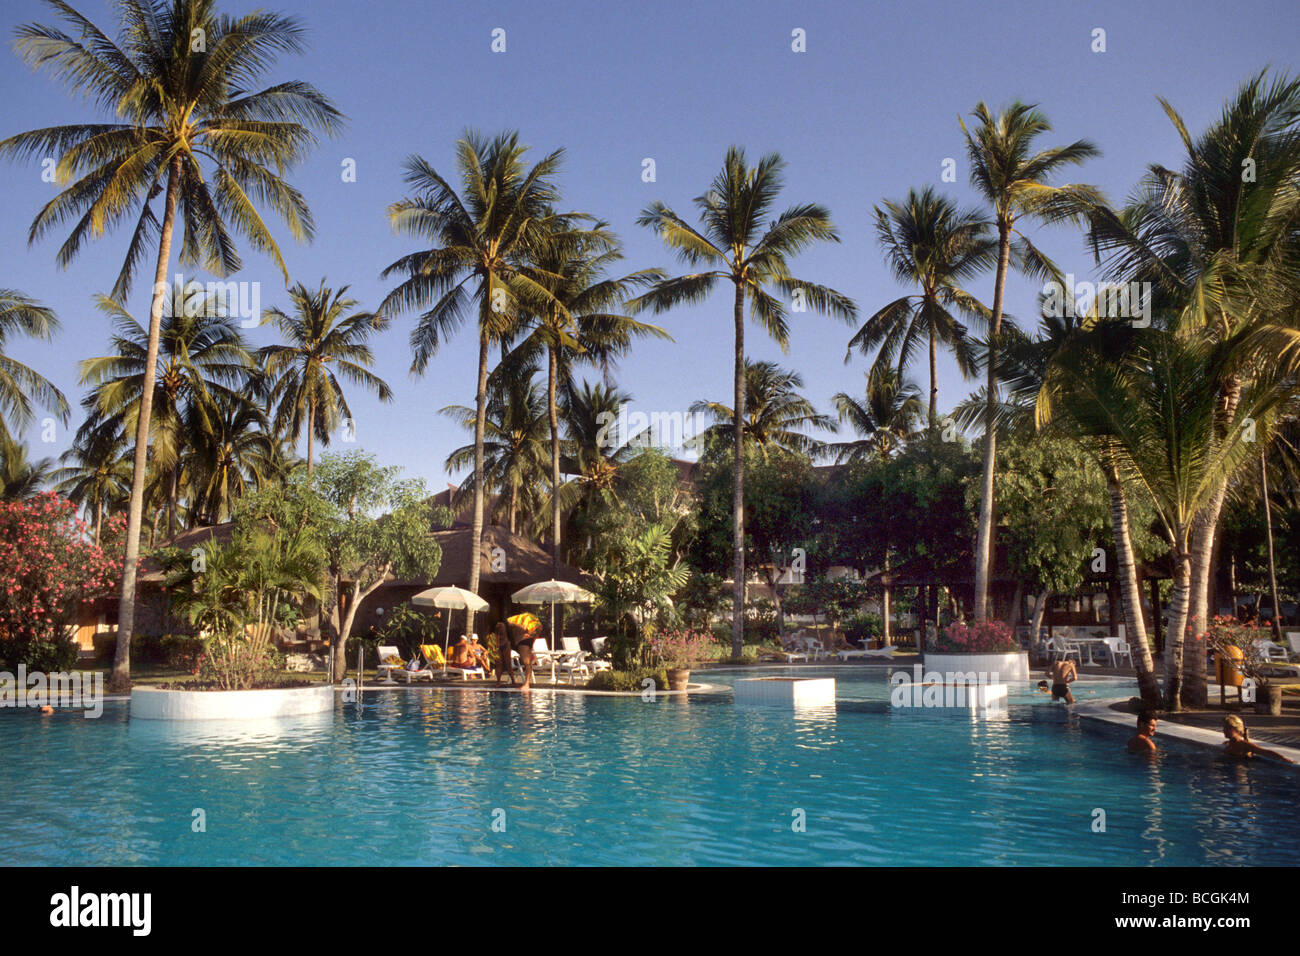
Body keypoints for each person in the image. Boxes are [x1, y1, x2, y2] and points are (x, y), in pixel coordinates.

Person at [1222, 714, 1295, 763]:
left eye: (1227, 728)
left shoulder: (1244, 744)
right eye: (1224, 727)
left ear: (1236, 729)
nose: (1224, 730)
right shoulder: (1229, 743)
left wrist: (1284, 759)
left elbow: (1264, 752)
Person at [493, 622, 516, 686]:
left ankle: (513, 680)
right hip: (499, 645)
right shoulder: (497, 628)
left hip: (505, 644)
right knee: (498, 664)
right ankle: (498, 681)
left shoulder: (506, 627)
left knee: (508, 663)